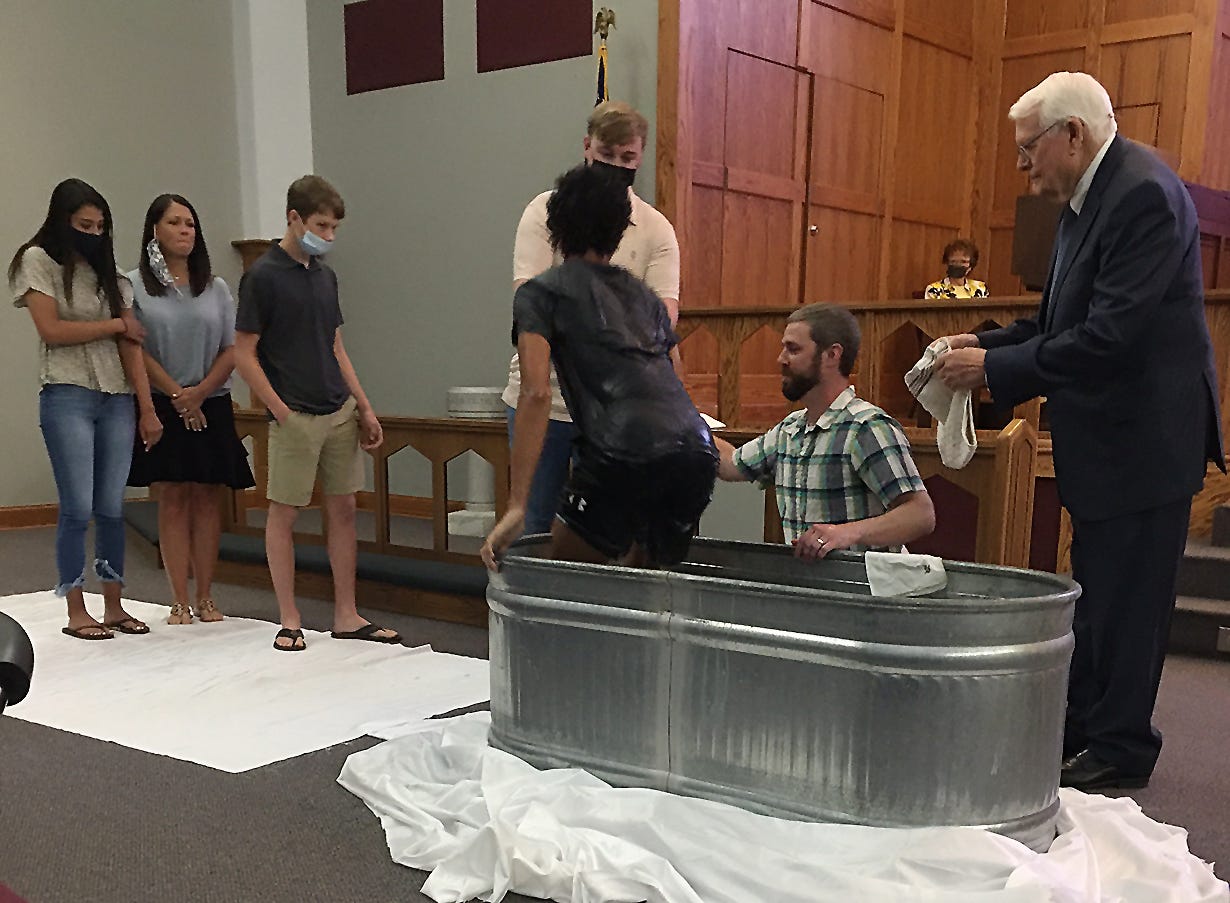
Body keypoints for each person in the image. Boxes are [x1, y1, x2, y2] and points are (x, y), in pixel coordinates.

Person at [935, 71, 1224, 790]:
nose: (1022, 163)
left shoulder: (1143, 197)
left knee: (1130, 602)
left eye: (1029, 147)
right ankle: (1084, 726)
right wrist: (979, 342)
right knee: (1098, 591)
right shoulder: (1081, 202)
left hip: (1147, 440)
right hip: (1108, 438)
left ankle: (1122, 743)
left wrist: (996, 373)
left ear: (1073, 134)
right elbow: (1055, 324)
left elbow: (1108, 340)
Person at [481, 164, 716, 570]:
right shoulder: (644, 297)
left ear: (556, 227)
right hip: (695, 453)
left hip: (621, 450)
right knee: (650, 593)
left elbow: (536, 393)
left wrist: (517, 505)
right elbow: (674, 377)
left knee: (567, 584)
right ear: (619, 230)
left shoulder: (540, 293)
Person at [234, 175, 401, 652]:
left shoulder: (325, 276)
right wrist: (280, 411)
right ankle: (289, 617)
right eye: (321, 226)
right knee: (284, 512)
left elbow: (336, 345)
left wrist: (364, 406)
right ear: (294, 218)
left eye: (334, 229)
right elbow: (244, 352)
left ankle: (346, 613)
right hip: (295, 413)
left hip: (338, 408)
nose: (328, 236)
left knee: (344, 508)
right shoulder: (262, 276)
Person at [502, 100, 682, 536]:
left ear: (639, 158)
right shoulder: (546, 210)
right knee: (531, 526)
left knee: (600, 534)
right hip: (547, 395)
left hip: (613, 408)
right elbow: (532, 299)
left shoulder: (656, 228)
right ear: (587, 147)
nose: (616, 166)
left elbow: (662, 323)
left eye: (627, 159)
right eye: (606, 155)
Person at [9, 178, 162, 640]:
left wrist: (147, 407)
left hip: (116, 396)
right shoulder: (38, 261)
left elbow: (132, 346)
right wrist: (115, 323)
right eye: (83, 225)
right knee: (77, 507)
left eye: (100, 226)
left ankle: (114, 605)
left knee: (112, 507)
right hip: (67, 391)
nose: (93, 234)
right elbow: (51, 330)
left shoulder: (112, 277)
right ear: (62, 221)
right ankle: (77, 608)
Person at [712, 303, 935, 558]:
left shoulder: (866, 427)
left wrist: (847, 533)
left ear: (832, 355)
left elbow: (920, 514)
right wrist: (684, 419)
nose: (781, 359)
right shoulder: (790, 429)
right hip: (810, 589)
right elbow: (729, 464)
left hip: (863, 590)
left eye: (793, 349)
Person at [126, 194, 256, 625]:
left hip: (211, 402)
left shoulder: (214, 287)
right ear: (155, 230)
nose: (185, 231)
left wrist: (199, 392)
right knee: (173, 499)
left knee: (206, 498)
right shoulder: (134, 285)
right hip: (163, 403)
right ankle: (178, 599)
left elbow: (230, 349)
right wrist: (178, 395)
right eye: (175, 223)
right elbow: (135, 350)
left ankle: (206, 595)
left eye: (191, 224)